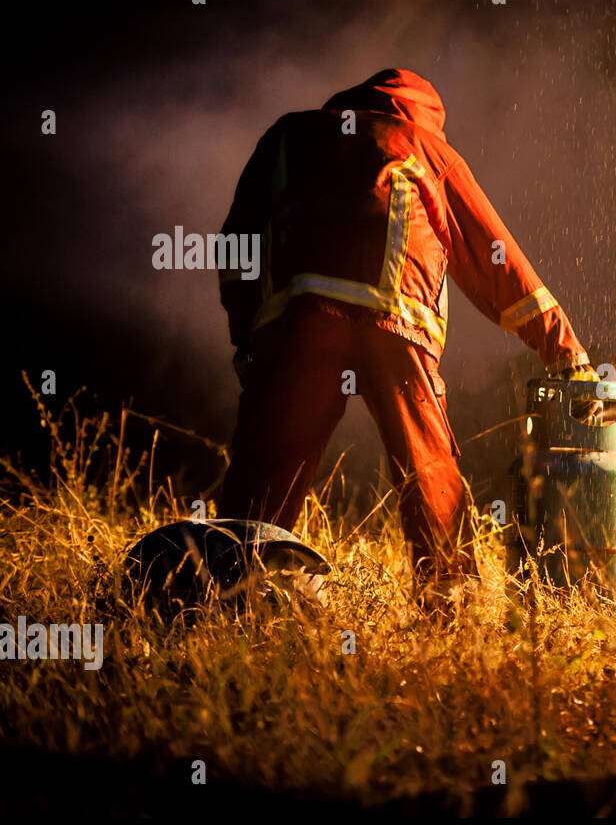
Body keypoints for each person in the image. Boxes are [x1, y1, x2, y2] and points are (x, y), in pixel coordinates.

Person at [217, 68, 596, 609]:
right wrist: (564, 350)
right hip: (394, 319)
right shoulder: (427, 148)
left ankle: (230, 586)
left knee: (267, 459)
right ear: (424, 116)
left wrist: (248, 341)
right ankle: (450, 600)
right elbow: (494, 255)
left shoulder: (287, 136)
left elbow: (237, 243)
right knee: (427, 462)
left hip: (302, 321)